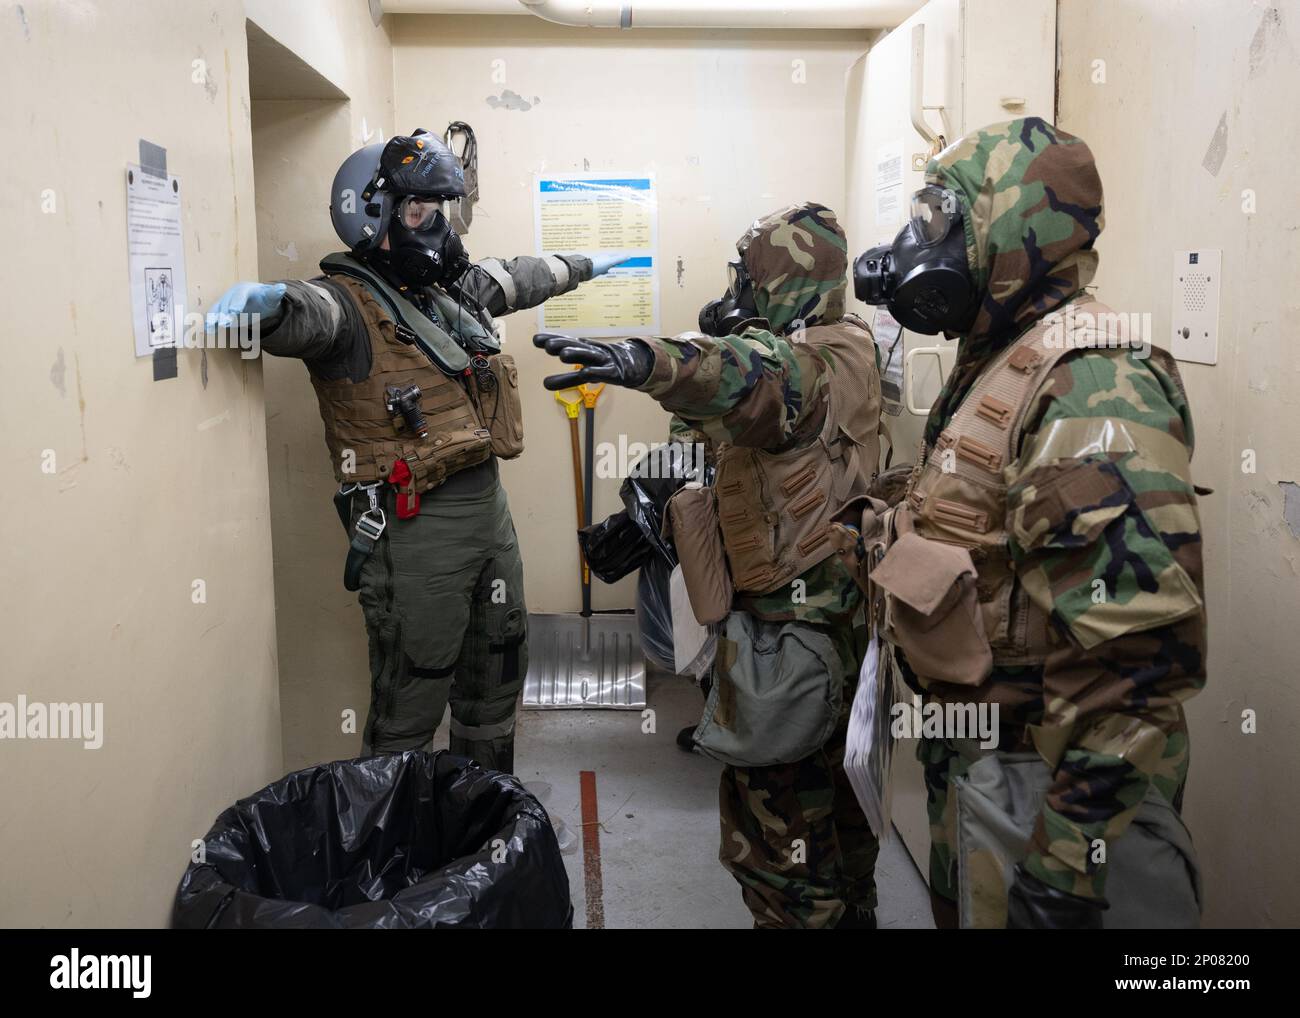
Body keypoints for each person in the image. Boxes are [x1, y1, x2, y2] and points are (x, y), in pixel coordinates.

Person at [850, 117, 1206, 928]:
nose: (918, 242)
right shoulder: (1004, 359)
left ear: (1014, 229)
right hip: (979, 772)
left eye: (943, 219)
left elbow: (1137, 666)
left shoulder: (1090, 381)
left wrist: (1065, 874)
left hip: (1048, 795)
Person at [206, 129, 625, 771]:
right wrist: (268, 305)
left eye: (442, 211)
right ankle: (394, 851)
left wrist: (586, 265)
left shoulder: (450, 294)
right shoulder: (347, 305)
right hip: (412, 530)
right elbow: (307, 313)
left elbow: (520, 277)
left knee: (497, 674)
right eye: (420, 211)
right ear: (373, 215)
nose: (439, 230)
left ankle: (482, 824)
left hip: (488, 514)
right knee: (411, 699)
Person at [534, 202, 884, 929]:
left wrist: (648, 361)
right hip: (829, 617)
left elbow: (751, 380)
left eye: (749, 276)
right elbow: (738, 452)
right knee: (837, 827)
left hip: (794, 633)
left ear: (780, 282)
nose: (738, 291)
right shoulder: (846, 342)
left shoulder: (810, 364)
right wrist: (641, 515)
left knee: (779, 847)